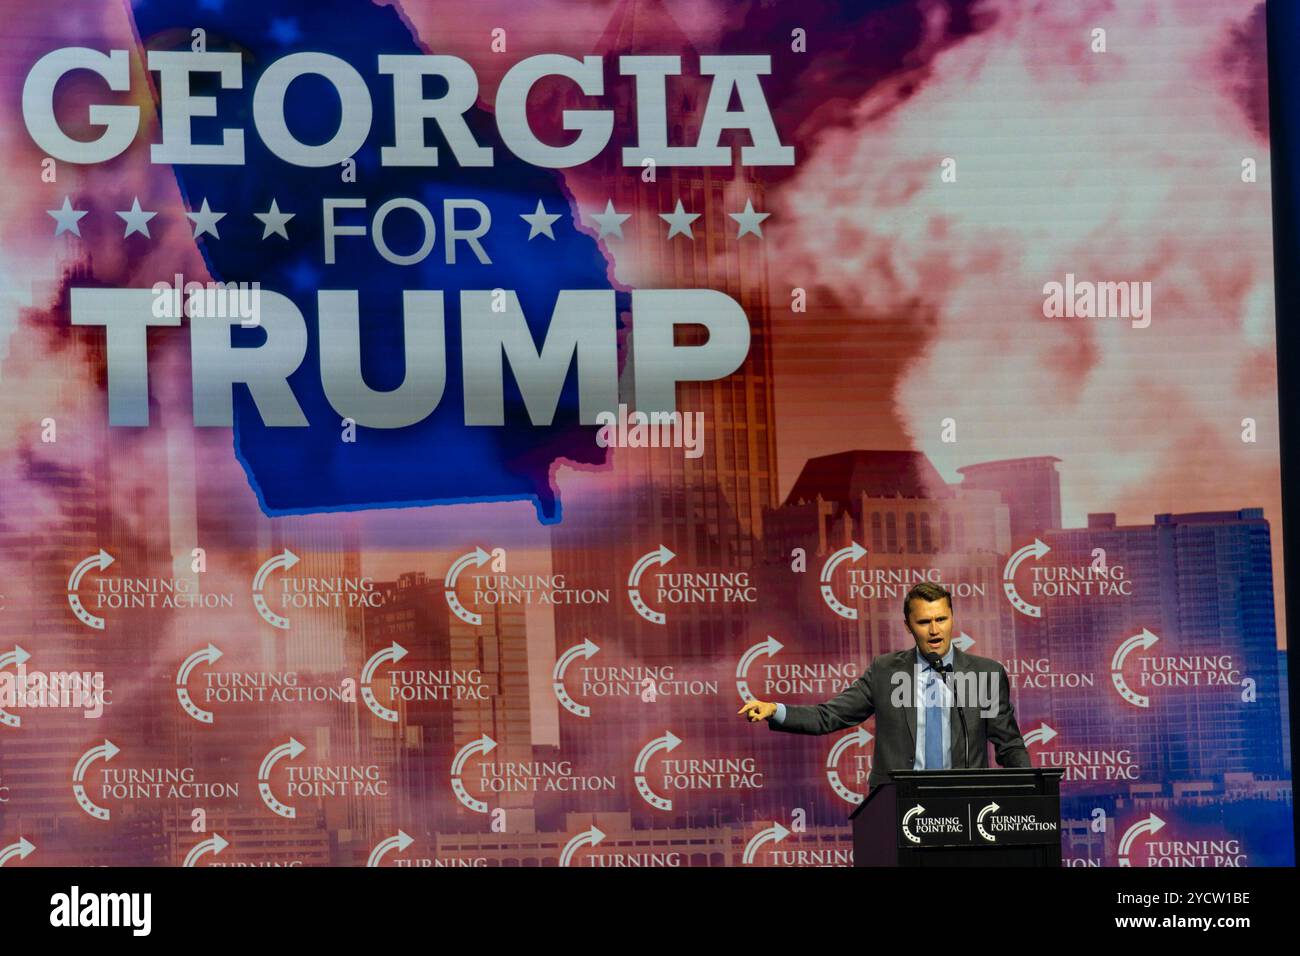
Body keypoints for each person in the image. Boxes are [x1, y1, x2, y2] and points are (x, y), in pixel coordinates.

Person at [737, 581, 1031, 789]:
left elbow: (1009, 744)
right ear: (908, 625)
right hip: (898, 805)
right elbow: (829, 716)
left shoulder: (986, 674)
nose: (934, 630)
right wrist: (775, 710)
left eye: (941, 619)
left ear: (952, 618)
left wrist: (1032, 791)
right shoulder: (884, 672)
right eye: (924, 621)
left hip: (964, 804)